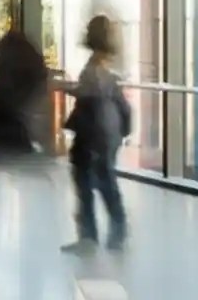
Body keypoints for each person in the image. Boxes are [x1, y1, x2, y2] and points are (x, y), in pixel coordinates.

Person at [0, 29, 60, 299]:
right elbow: (41, 120)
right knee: (35, 219)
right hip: (26, 152)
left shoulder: (0, 78)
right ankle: (36, 281)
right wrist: (49, 152)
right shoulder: (36, 77)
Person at [63, 15, 130, 250]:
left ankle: (91, 236)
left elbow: (90, 92)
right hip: (109, 132)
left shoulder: (95, 68)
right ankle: (116, 230)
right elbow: (118, 102)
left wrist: (65, 87)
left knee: (86, 181)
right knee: (105, 180)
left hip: (92, 131)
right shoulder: (106, 67)